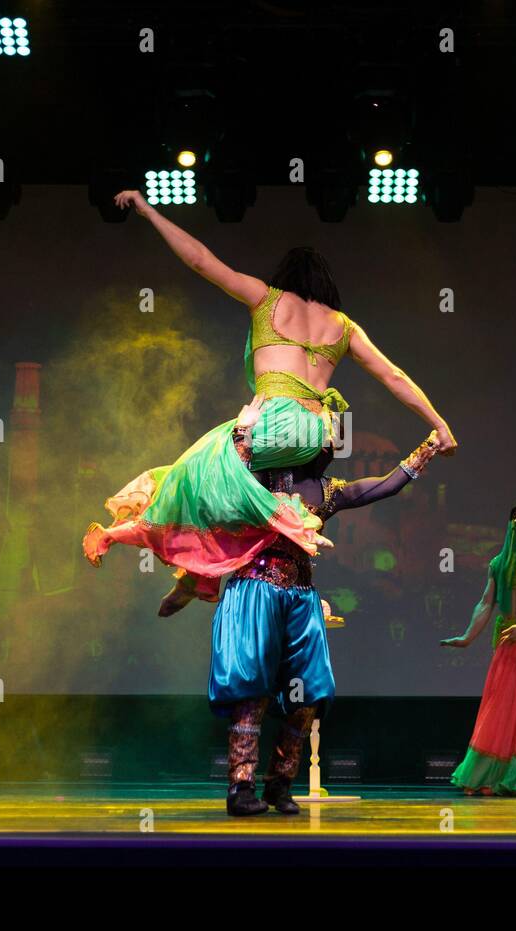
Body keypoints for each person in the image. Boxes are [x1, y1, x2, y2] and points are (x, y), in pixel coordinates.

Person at [85, 190, 456, 615]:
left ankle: (179, 565)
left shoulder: (266, 298)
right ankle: (204, 577)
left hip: (275, 424)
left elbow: (200, 260)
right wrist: (439, 424)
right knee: (243, 494)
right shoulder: (344, 326)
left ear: (286, 277)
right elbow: (394, 375)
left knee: (192, 478)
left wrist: (148, 210)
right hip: (321, 433)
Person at [215, 399, 441, 815]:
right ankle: (240, 788)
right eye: (319, 435)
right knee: (252, 692)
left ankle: (278, 785)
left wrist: (428, 447)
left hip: (300, 597)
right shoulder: (261, 480)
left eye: (328, 437)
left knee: (307, 697)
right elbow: (227, 477)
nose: (327, 443)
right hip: (256, 592)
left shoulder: (329, 491)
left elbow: (385, 485)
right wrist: (242, 432)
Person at [443, 503, 516, 795]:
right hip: (508, 638)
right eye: (515, 518)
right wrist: (468, 637)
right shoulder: (497, 563)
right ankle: (486, 775)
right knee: (500, 708)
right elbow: (486, 602)